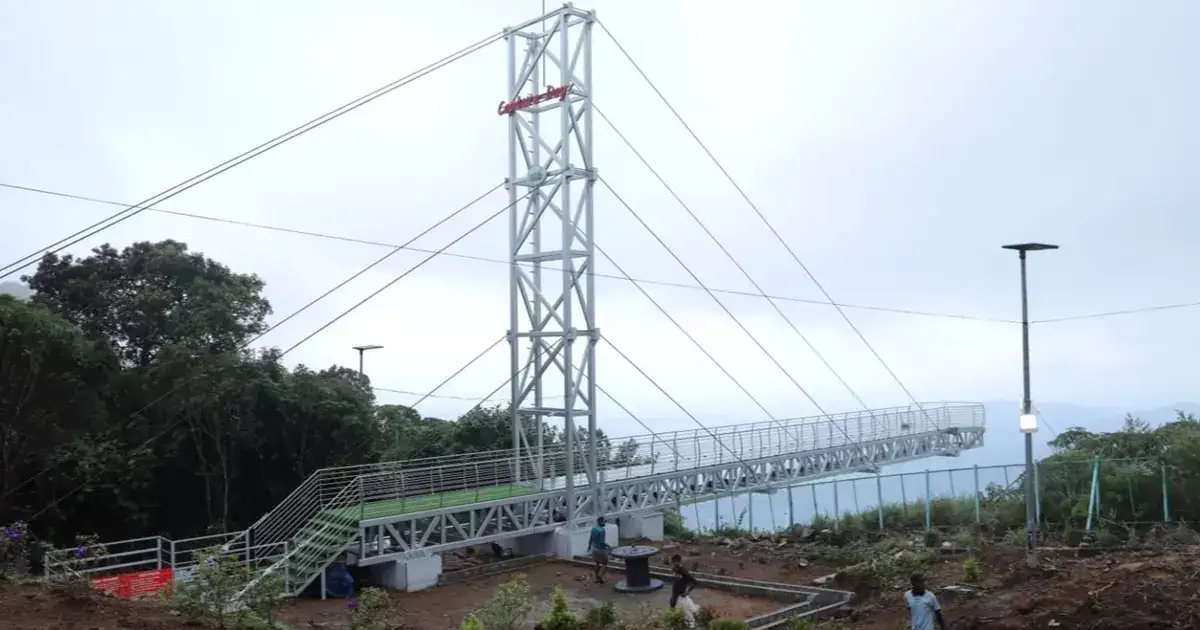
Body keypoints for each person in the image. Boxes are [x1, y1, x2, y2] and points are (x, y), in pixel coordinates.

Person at [587, 516, 609, 584]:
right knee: (605, 563)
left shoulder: (593, 529)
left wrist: (589, 546)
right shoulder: (602, 530)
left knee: (597, 563)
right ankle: (599, 575)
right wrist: (607, 547)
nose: (605, 523)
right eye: (604, 522)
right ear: (600, 522)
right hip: (600, 550)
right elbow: (602, 542)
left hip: (594, 550)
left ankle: (597, 578)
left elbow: (590, 538)